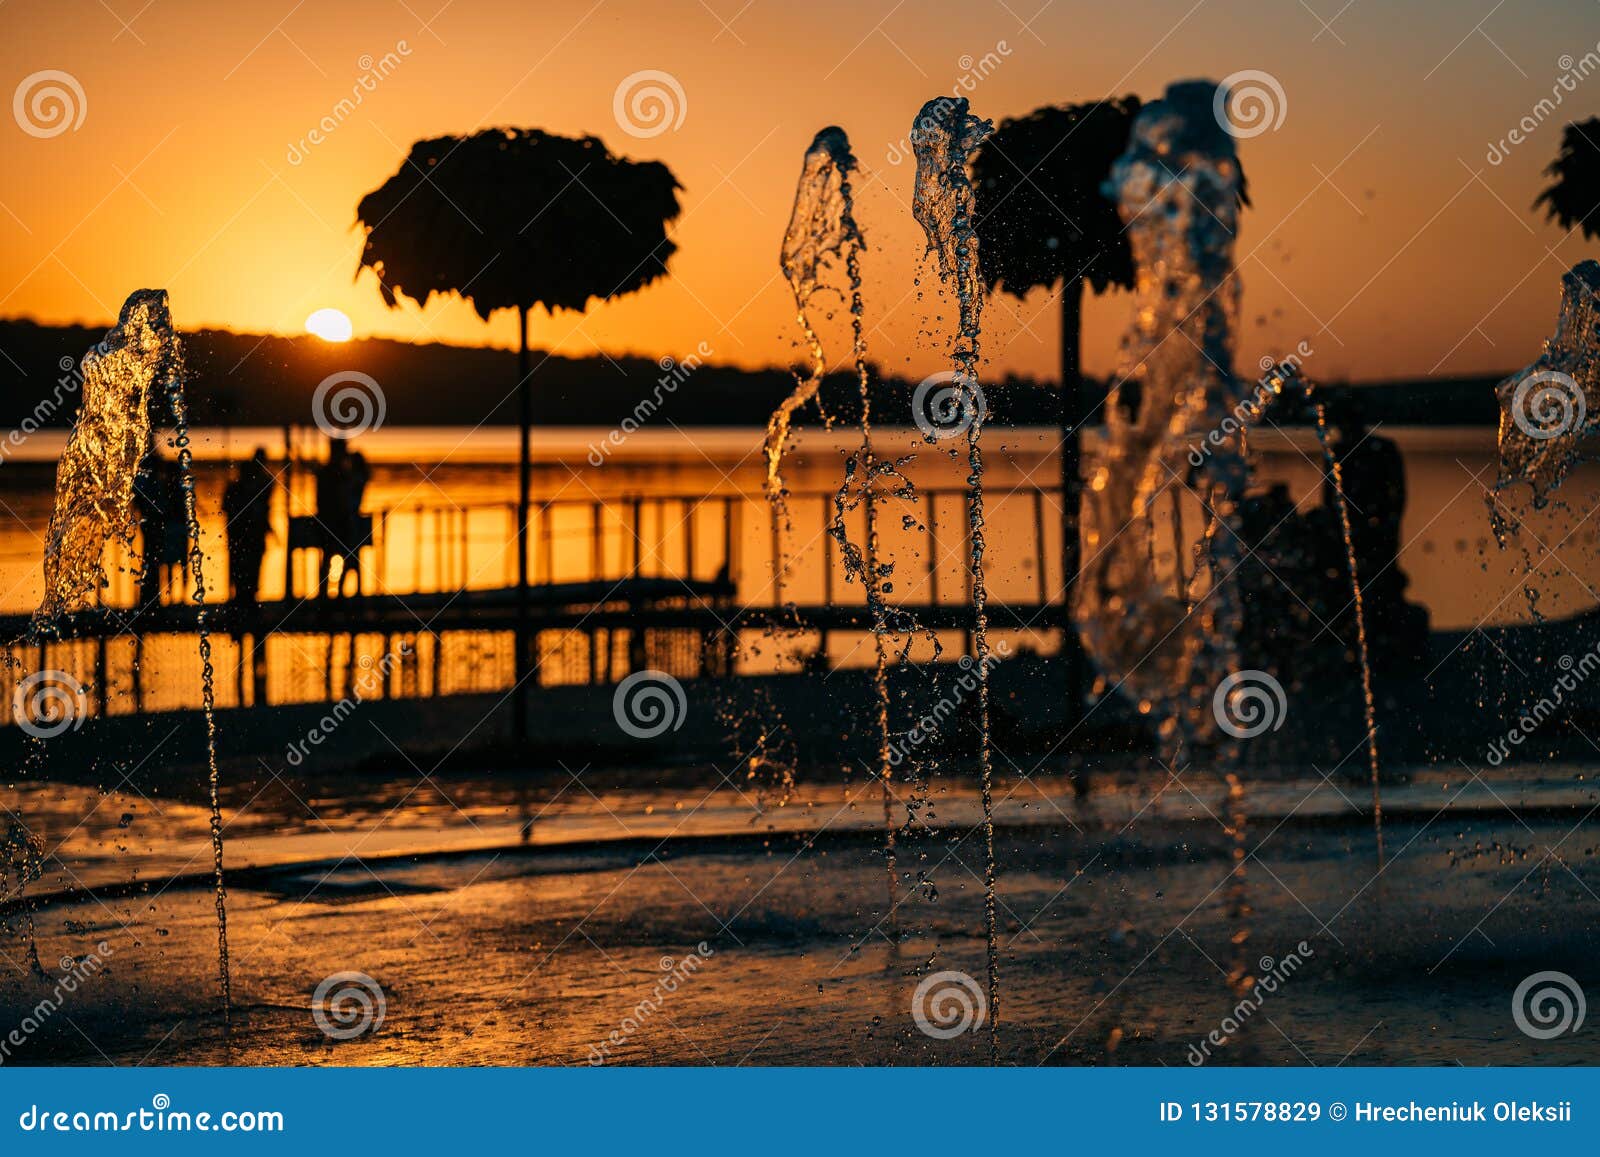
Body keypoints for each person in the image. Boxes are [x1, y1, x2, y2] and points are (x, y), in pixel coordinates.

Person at [315, 439, 372, 597]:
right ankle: (334, 596)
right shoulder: (338, 474)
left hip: (337, 524)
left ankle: (331, 596)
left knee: (335, 560)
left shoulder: (337, 473)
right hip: (338, 525)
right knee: (340, 559)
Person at [223, 449, 275, 603]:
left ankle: (244, 594)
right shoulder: (242, 489)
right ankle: (242, 594)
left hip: (249, 535)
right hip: (244, 535)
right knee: (243, 565)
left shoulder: (252, 488)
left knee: (246, 565)